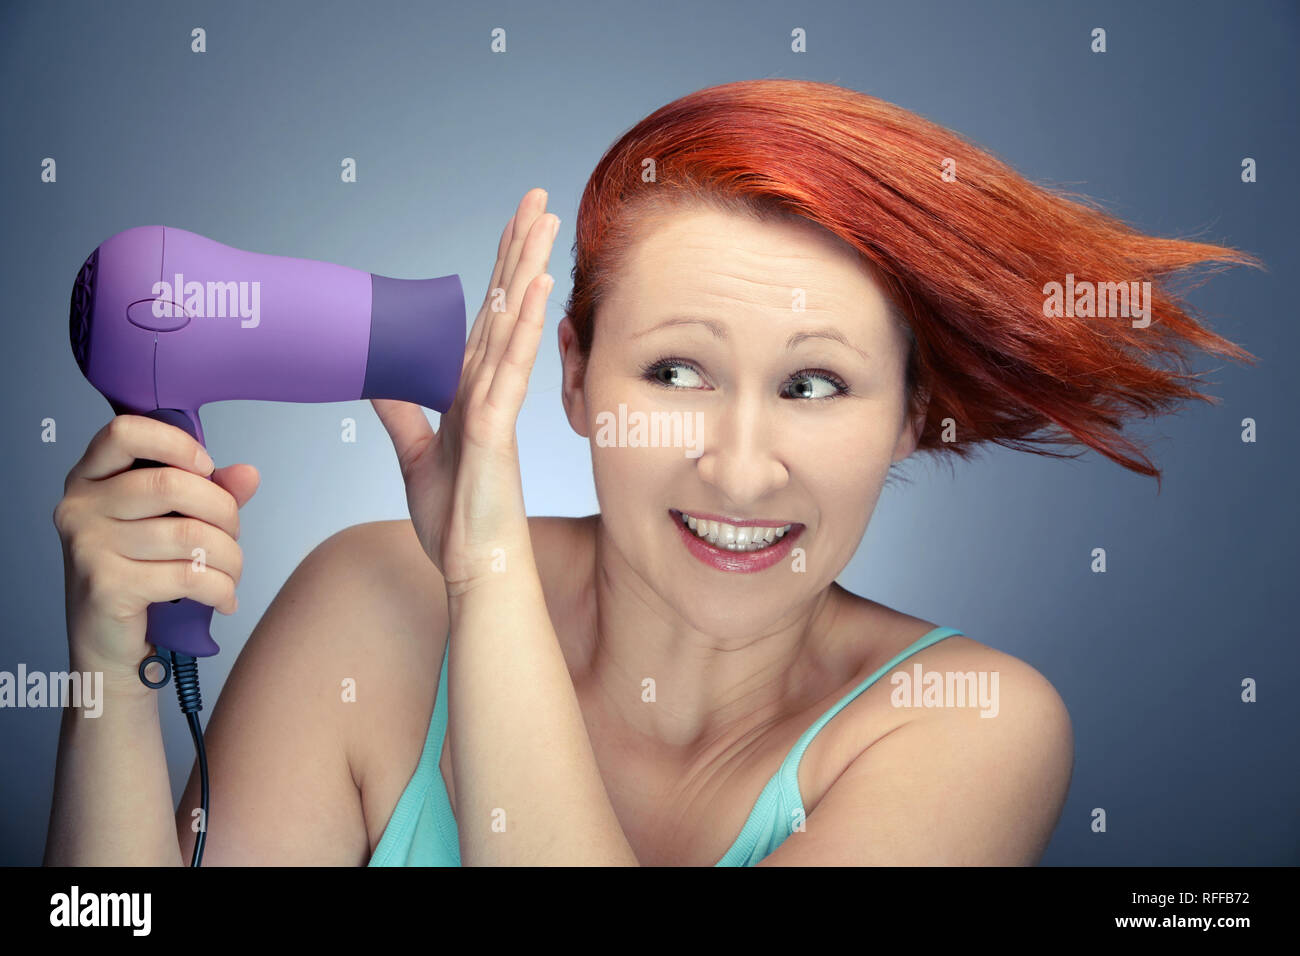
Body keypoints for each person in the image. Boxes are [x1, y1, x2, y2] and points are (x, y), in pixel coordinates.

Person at [44, 79, 1259, 866]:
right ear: (571, 375)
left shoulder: (970, 730)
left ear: (911, 417)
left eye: (816, 384)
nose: (738, 465)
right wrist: (106, 680)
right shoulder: (368, 607)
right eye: (675, 371)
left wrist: (491, 573)